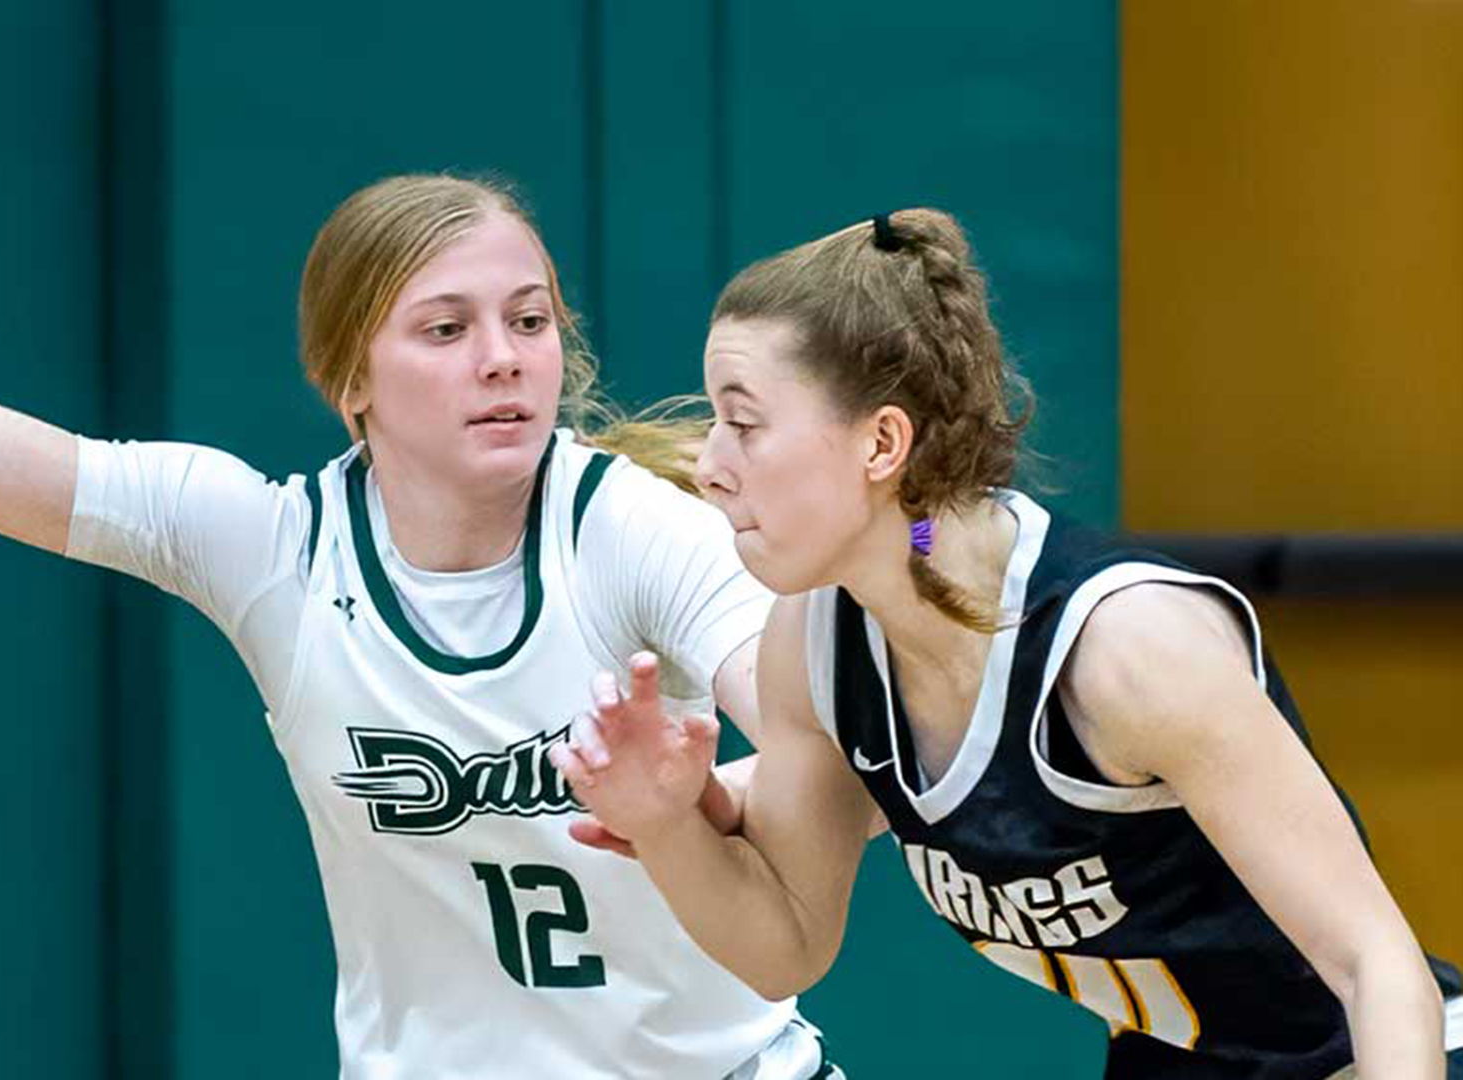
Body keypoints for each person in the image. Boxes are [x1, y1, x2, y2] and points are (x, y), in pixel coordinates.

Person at [0, 1, 836, 1076]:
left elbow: (824, 733)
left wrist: (702, 801)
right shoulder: (268, 542)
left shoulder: (628, 527)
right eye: (446, 328)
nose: (504, 356)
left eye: (528, 319)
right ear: (349, 376)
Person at [551, 208, 1463, 1078]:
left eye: (743, 422)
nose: (709, 461)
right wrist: (666, 823)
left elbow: (1376, 969)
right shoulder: (815, 645)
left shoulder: (1126, 650)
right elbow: (784, 944)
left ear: (881, 444)